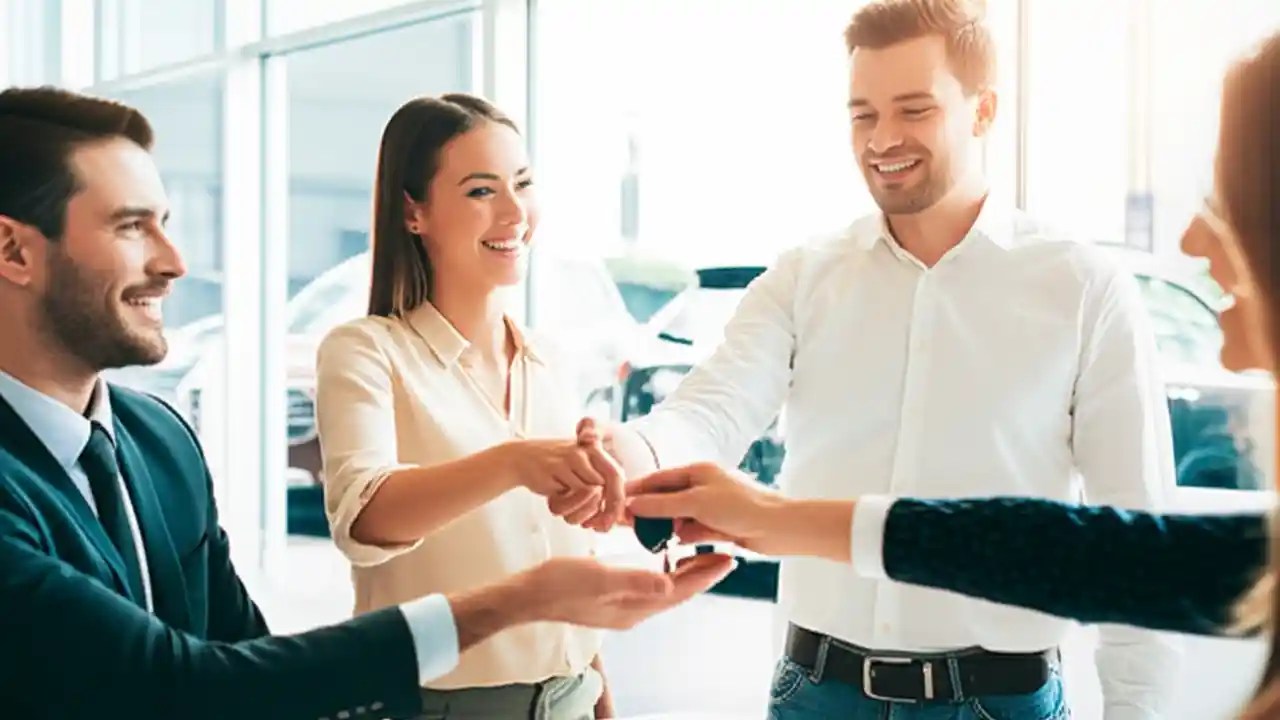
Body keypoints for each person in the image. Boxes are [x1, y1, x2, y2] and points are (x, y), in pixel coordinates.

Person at [0, 85, 734, 720]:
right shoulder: (366, 350)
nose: (176, 262)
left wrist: (585, 657)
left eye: (167, 221)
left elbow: (246, 659)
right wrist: (522, 594)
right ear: (14, 253)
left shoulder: (158, 439)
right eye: (132, 226)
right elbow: (177, 685)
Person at [625, 27, 1280, 720]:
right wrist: (636, 452)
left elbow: (1128, 540)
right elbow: (715, 403)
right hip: (816, 692)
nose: (881, 138)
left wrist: (1135, 710)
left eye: (915, 109)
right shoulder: (804, 275)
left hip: (999, 701)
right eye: (863, 114)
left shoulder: (1082, 285)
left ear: (984, 110)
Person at [312, 92, 651, 720]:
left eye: (522, 183)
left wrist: (601, 695)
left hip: (571, 694)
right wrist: (514, 462)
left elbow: (567, 552)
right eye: (480, 191)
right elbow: (365, 518)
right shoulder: (365, 352)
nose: (515, 211)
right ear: (414, 212)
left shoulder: (548, 358)